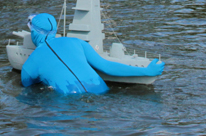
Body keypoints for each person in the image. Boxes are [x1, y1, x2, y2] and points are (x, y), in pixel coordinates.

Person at [20, 13, 165, 95]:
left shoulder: (29, 64)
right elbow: (107, 67)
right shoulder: (77, 42)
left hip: (69, 102)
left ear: (33, 32)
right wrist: (146, 71)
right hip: (101, 90)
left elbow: (29, 87)